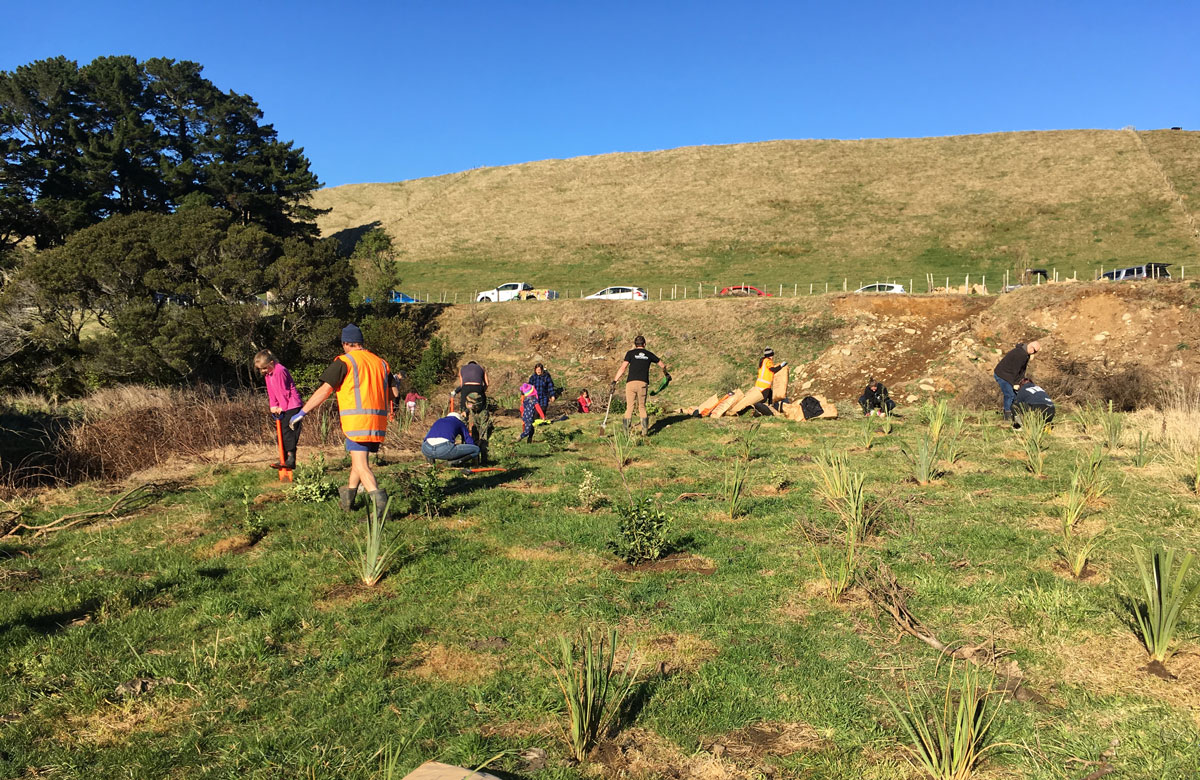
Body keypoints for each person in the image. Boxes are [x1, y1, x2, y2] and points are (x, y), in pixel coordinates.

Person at [290, 324, 401, 515]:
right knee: (358, 461)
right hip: (377, 424)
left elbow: (325, 390)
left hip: (356, 423)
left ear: (346, 343)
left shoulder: (345, 362)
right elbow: (394, 394)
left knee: (361, 465)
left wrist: (303, 412)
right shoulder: (381, 363)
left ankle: (381, 504)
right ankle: (348, 498)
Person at [612, 335, 671, 435]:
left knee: (629, 407)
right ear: (644, 344)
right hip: (642, 383)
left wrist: (614, 380)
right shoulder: (649, 354)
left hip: (630, 383)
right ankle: (644, 432)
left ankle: (626, 433)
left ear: (635, 344)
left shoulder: (630, 353)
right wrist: (666, 374)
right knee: (642, 407)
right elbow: (662, 365)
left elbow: (623, 368)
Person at [254, 350, 303, 470]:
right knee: (281, 432)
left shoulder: (280, 371)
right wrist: (273, 405)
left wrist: (282, 407)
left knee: (288, 431)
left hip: (292, 405)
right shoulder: (268, 375)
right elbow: (271, 392)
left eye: (264, 368)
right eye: (260, 369)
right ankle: (285, 458)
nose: (263, 371)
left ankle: (290, 458)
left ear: (271, 362)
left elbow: (284, 392)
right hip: (283, 405)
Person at [994, 341, 1042, 420]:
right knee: (1009, 395)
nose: (1034, 354)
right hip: (1002, 374)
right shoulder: (1020, 354)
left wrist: (1021, 382)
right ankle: (1008, 417)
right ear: (1031, 348)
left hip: (1009, 375)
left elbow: (1022, 371)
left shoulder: (1025, 354)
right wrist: (1015, 383)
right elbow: (1015, 370)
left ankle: (1016, 414)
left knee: (1016, 396)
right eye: (1035, 351)